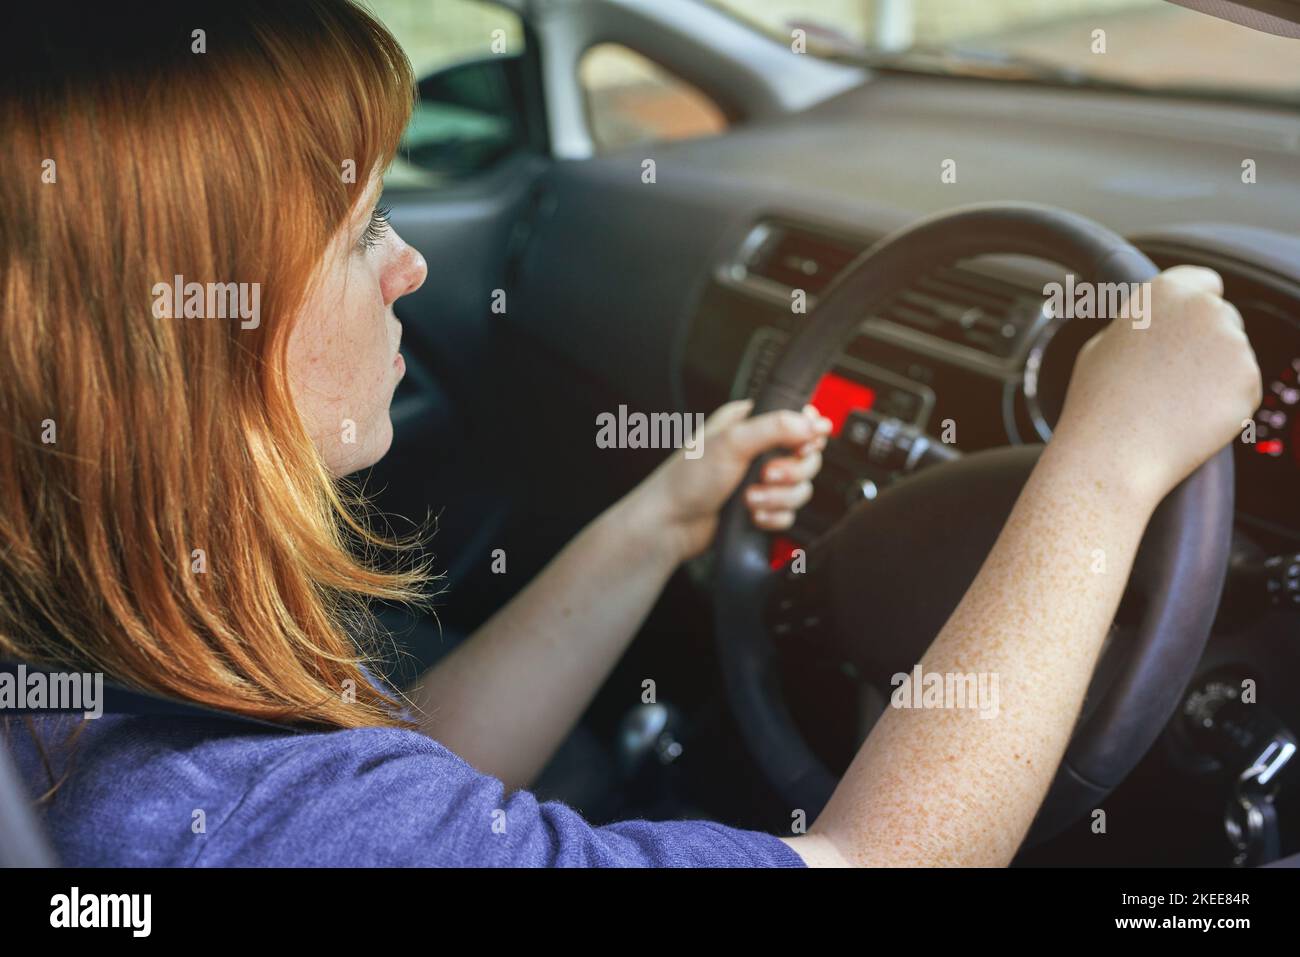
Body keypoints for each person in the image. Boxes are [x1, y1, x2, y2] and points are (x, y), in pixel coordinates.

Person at [0, 1, 1261, 867]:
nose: (410, 266)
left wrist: (660, 518)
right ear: (182, 350)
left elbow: (407, 770)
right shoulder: (228, 817)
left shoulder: (104, 677)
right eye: (361, 233)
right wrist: (1109, 461)